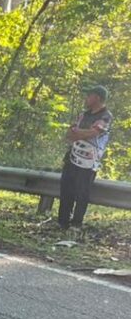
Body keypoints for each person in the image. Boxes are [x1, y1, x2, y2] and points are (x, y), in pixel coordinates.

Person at [58, 85, 114, 231]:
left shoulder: (105, 115)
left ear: (97, 98)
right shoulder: (83, 114)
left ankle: (76, 224)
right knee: (66, 188)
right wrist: (80, 133)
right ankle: (62, 222)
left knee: (82, 191)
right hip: (73, 155)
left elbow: (94, 133)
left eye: (89, 95)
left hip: (89, 160)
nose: (86, 98)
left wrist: (79, 133)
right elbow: (70, 133)